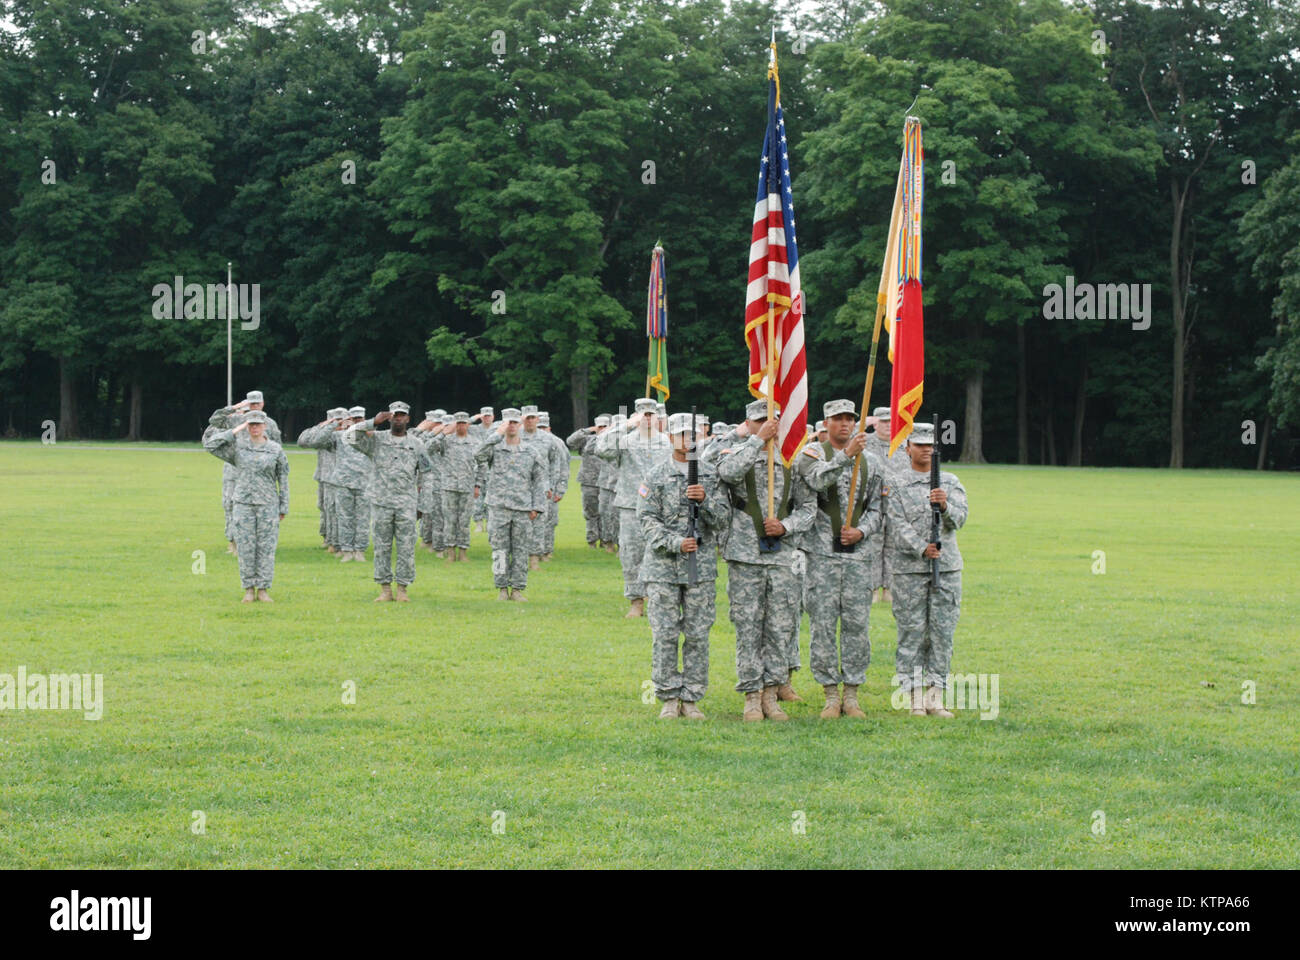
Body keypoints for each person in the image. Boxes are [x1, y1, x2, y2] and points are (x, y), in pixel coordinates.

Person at [716, 399, 816, 721]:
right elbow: (728, 474)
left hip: (782, 557)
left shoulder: (794, 462)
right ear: (748, 423)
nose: (769, 426)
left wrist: (785, 526)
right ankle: (750, 696)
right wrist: (757, 441)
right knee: (748, 627)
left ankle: (771, 694)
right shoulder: (735, 453)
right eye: (760, 421)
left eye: (772, 421)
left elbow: (808, 509)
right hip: (745, 556)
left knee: (779, 628)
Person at [637, 413, 731, 719]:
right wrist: (675, 542)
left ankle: (691, 697)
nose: (686, 441)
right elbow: (647, 520)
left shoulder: (710, 475)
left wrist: (704, 500)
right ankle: (666, 696)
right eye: (680, 435)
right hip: (663, 568)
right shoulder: (655, 475)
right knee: (664, 634)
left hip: (699, 569)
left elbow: (724, 519)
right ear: (669, 437)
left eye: (692, 435)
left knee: (697, 634)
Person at [797, 399, 885, 719]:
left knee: (856, 626)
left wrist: (862, 532)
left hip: (858, 558)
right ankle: (830, 694)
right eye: (838, 419)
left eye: (850, 419)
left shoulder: (872, 462)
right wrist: (846, 457)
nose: (845, 424)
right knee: (822, 625)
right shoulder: (811, 455)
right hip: (822, 555)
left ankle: (852, 694)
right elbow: (816, 481)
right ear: (826, 422)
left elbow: (878, 509)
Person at [887, 420, 968, 717]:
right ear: (907, 448)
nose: (925, 450)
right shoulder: (895, 483)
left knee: (942, 633)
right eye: (919, 445)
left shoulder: (950, 482)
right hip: (909, 569)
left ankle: (936, 696)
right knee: (912, 633)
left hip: (945, 569)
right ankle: (915, 696)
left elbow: (960, 519)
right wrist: (921, 547)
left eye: (930, 446)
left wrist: (945, 506)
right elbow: (895, 524)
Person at [347, 401, 432, 602]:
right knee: (381, 547)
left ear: (408, 419)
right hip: (381, 502)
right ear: (390, 417)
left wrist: (423, 504)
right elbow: (348, 436)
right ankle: (385, 589)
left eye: (402, 415)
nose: (398, 418)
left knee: (406, 548)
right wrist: (371, 422)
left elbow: (427, 474)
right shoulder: (376, 440)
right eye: (395, 415)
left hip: (406, 504)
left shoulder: (417, 444)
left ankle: (403, 589)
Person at [596, 398, 672, 617]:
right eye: (643, 414)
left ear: (658, 417)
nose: (647, 418)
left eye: (651, 414)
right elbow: (601, 448)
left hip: (661, 508)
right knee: (631, 554)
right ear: (636, 415)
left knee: (661, 554)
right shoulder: (625, 440)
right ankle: (636, 601)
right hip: (631, 506)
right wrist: (625, 425)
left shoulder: (667, 442)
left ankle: (657, 599)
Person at [203, 411, 288, 602]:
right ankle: (249, 589)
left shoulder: (275, 449)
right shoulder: (238, 447)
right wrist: (235, 430)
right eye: (251, 424)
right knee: (246, 548)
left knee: (266, 548)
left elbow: (283, 479)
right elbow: (210, 445)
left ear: (265, 425)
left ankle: (264, 589)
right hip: (243, 504)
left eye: (258, 424)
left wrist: (284, 506)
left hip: (268, 504)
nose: (255, 428)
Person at [475, 408, 546, 601]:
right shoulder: (495, 449)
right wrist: (495, 435)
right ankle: (501, 589)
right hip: (498, 507)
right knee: (499, 550)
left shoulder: (531, 451)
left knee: (521, 550)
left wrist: (537, 507)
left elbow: (540, 480)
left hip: (523, 509)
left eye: (515, 422)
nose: (512, 426)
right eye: (508, 422)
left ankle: (517, 589)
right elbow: (477, 455)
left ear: (521, 425)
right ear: (503, 424)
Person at [204, 390, 281, 554]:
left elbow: (278, 449)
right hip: (234, 471)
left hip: (260, 475)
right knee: (230, 505)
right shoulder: (236, 419)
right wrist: (234, 408)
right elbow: (214, 420)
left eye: (257, 403)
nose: (254, 406)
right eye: (251, 403)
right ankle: (233, 542)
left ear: (263, 404)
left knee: (259, 508)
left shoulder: (270, 424)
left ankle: (256, 544)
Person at [864, 406, 911, 603]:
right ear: (875, 423)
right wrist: (863, 423)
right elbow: (843, 437)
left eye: (891, 421)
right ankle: (873, 588)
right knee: (873, 545)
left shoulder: (903, 444)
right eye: (883, 421)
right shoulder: (864, 442)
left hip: (896, 504)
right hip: (871, 502)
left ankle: (890, 589)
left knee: (893, 546)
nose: (887, 426)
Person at [423, 411, 478, 561]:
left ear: (468, 424)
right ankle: (450, 551)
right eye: (458, 423)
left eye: (463, 423)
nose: (461, 426)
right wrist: (441, 434)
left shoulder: (475, 442)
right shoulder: (446, 441)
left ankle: (463, 551)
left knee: (464, 521)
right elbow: (427, 448)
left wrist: (478, 484)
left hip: (467, 486)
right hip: (449, 486)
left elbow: (481, 464)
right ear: (454, 425)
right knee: (449, 520)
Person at [567, 415, 609, 548]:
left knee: (606, 512)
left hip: (607, 482)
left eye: (605, 426)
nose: (602, 429)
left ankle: (605, 540)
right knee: (590, 513)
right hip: (589, 481)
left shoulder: (613, 441)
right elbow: (570, 442)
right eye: (600, 426)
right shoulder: (587, 440)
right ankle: (592, 541)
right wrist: (587, 430)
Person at [535, 412, 568, 561]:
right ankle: (534, 551)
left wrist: (560, 489)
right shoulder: (529, 440)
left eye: (544, 427)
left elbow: (564, 467)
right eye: (539, 427)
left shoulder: (556, 442)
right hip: (534, 488)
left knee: (549, 521)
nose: (541, 430)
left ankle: (546, 551)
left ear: (549, 427)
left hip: (551, 488)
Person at [415, 409, 449, 557]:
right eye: (436, 423)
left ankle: (438, 545)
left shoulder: (446, 438)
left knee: (439, 515)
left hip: (442, 481)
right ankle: (429, 541)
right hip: (427, 480)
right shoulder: (425, 437)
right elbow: (423, 449)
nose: (438, 426)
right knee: (428, 514)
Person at [595, 415, 620, 553]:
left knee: (619, 517)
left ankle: (621, 545)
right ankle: (608, 542)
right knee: (605, 513)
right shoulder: (606, 440)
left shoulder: (630, 441)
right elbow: (596, 450)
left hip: (623, 485)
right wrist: (606, 433)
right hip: (607, 483)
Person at [469, 407, 495, 531]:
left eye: (489, 415)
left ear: (493, 417)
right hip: (477, 468)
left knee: (491, 497)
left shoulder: (497, 429)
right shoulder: (475, 429)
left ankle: (490, 522)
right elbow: (461, 424)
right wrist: (475, 417)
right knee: (477, 498)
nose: (487, 418)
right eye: (484, 416)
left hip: (492, 469)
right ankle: (479, 523)